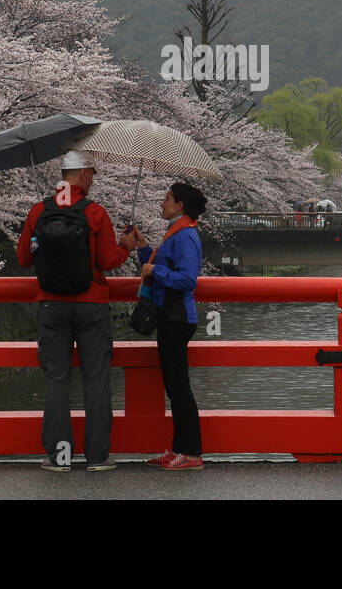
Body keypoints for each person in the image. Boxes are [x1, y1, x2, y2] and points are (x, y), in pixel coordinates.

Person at [16, 151, 142, 471]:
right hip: (91, 305)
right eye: (93, 174)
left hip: (52, 305)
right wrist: (127, 244)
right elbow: (108, 261)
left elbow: (23, 259)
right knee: (96, 379)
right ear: (83, 174)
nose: (93, 179)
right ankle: (98, 457)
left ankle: (59, 457)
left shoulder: (38, 211)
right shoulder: (95, 213)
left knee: (56, 380)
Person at [137, 182, 206, 470]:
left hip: (178, 318)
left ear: (180, 205)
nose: (162, 204)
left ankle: (191, 453)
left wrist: (156, 270)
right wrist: (143, 249)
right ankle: (179, 448)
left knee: (179, 387)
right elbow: (163, 268)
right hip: (171, 317)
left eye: (167, 199)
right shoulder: (177, 233)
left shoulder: (186, 235)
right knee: (174, 386)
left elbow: (188, 279)